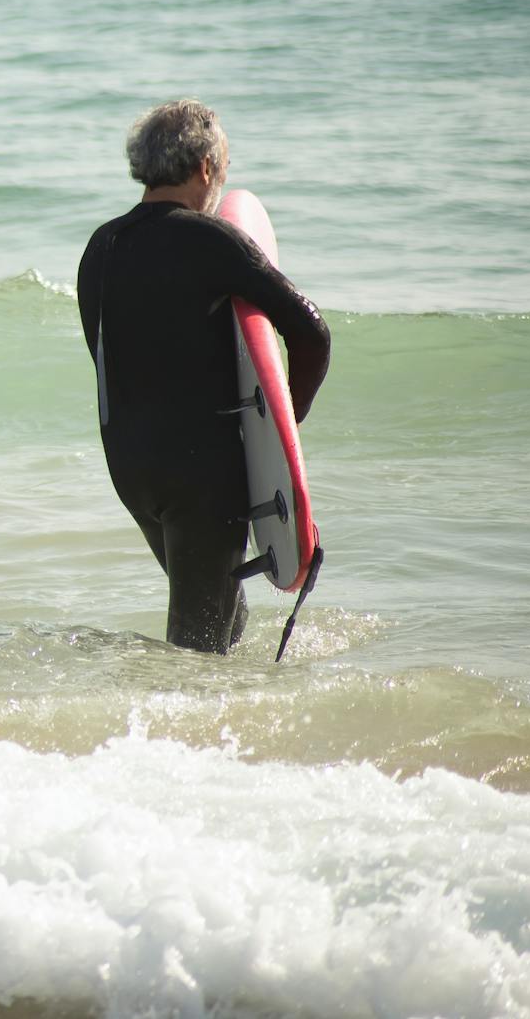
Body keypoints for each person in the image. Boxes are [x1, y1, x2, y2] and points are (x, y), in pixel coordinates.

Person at [76, 100, 329, 653]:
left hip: (132, 469)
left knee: (220, 611)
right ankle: (165, 733)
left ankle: (180, 717)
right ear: (207, 169)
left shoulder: (102, 246)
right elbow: (312, 333)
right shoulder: (210, 240)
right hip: (200, 476)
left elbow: (109, 360)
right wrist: (285, 431)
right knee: (198, 643)